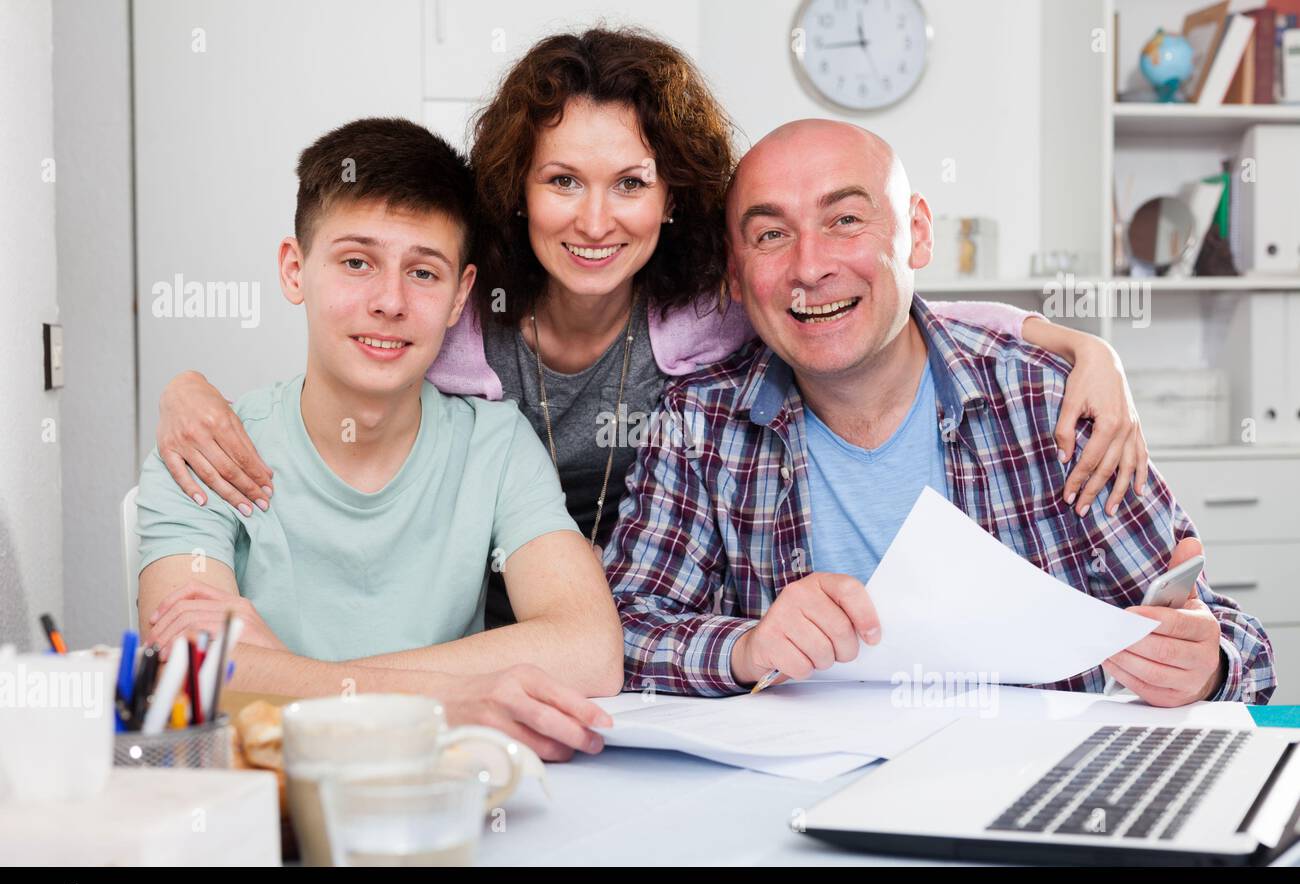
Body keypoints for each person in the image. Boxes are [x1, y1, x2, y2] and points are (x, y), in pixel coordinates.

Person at [148, 29, 1150, 630]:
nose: (595, 221)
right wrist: (193, 388)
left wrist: (1070, 344)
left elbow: (864, 301)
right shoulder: (456, 316)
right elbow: (348, 354)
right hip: (487, 631)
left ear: (672, 198)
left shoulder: (707, 310)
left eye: (630, 183)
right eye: (560, 182)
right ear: (516, 188)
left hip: (629, 628)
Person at [606, 119, 1275, 707]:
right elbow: (623, 633)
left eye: (845, 220)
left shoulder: (1052, 403)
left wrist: (1206, 665)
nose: (809, 268)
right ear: (734, 271)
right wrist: (746, 647)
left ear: (917, 235)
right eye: (772, 234)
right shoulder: (698, 425)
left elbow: (1235, 643)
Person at [136, 118, 621, 761]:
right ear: (294, 269)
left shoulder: (495, 445)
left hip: (438, 804)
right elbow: (186, 671)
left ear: (459, 296)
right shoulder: (204, 449)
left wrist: (286, 677)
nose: (389, 301)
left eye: (423, 273)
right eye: (357, 262)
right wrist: (441, 702)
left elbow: (590, 650)